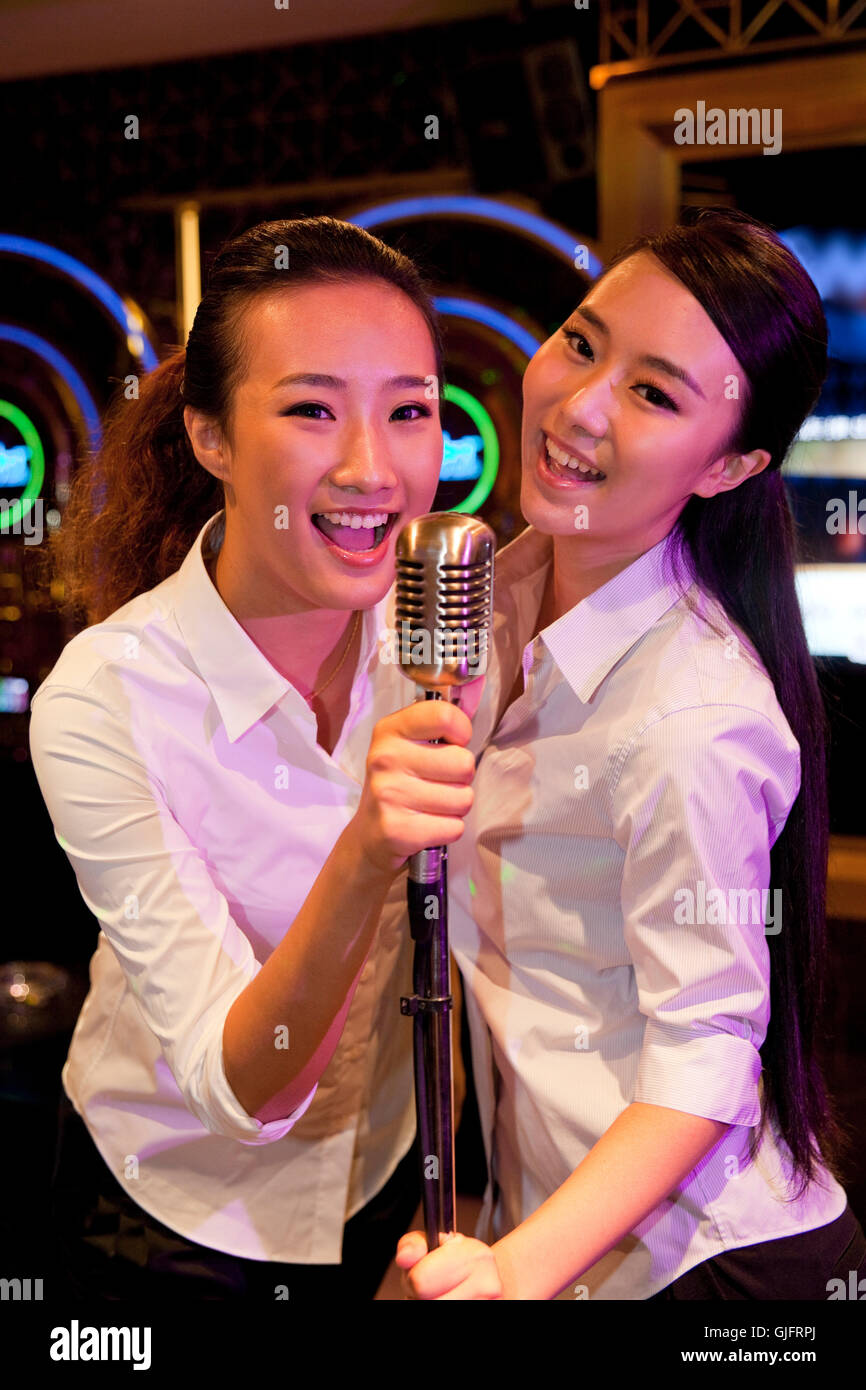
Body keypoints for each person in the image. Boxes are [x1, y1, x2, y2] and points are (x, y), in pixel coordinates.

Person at [396, 206, 866, 1300]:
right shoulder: (489, 592)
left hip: (708, 1272)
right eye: (579, 341)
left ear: (729, 464)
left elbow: (704, 1067)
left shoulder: (690, 715)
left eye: (652, 393)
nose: (578, 405)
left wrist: (512, 1273)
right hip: (560, 1234)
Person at [30, 215, 480, 1301]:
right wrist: (365, 848)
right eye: (312, 409)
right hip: (170, 1212)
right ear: (211, 438)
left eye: (409, 411)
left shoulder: (444, 628)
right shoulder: (107, 695)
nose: (374, 468)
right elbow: (246, 1086)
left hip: (392, 1176)